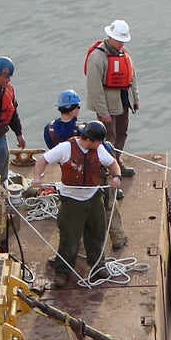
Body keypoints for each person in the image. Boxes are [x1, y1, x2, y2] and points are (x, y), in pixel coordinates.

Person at [29, 121, 123, 288]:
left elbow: (112, 164)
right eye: (98, 141)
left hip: (93, 198)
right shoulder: (65, 148)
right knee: (69, 238)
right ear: (90, 140)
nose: (100, 144)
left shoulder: (99, 149)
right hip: (71, 201)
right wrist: (37, 177)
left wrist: (116, 176)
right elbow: (43, 160)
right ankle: (62, 271)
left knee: (96, 234)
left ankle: (98, 265)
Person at [42, 89, 129, 250]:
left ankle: (79, 240)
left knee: (76, 210)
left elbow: (52, 151)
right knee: (108, 204)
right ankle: (118, 236)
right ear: (74, 109)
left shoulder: (50, 129)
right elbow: (102, 149)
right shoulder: (84, 130)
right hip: (93, 174)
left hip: (71, 176)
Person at [84, 19, 139, 177]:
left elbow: (132, 76)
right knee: (108, 136)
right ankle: (108, 167)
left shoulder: (124, 53)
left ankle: (116, 160)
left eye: (123, 40)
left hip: (123, 101)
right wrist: (103, 111)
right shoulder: (97, 58)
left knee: (122, 132)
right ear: (110, 37)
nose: (122, 43)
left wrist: (135, 98)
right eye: (119, 40)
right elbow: (94, 88)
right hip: (107, 104)